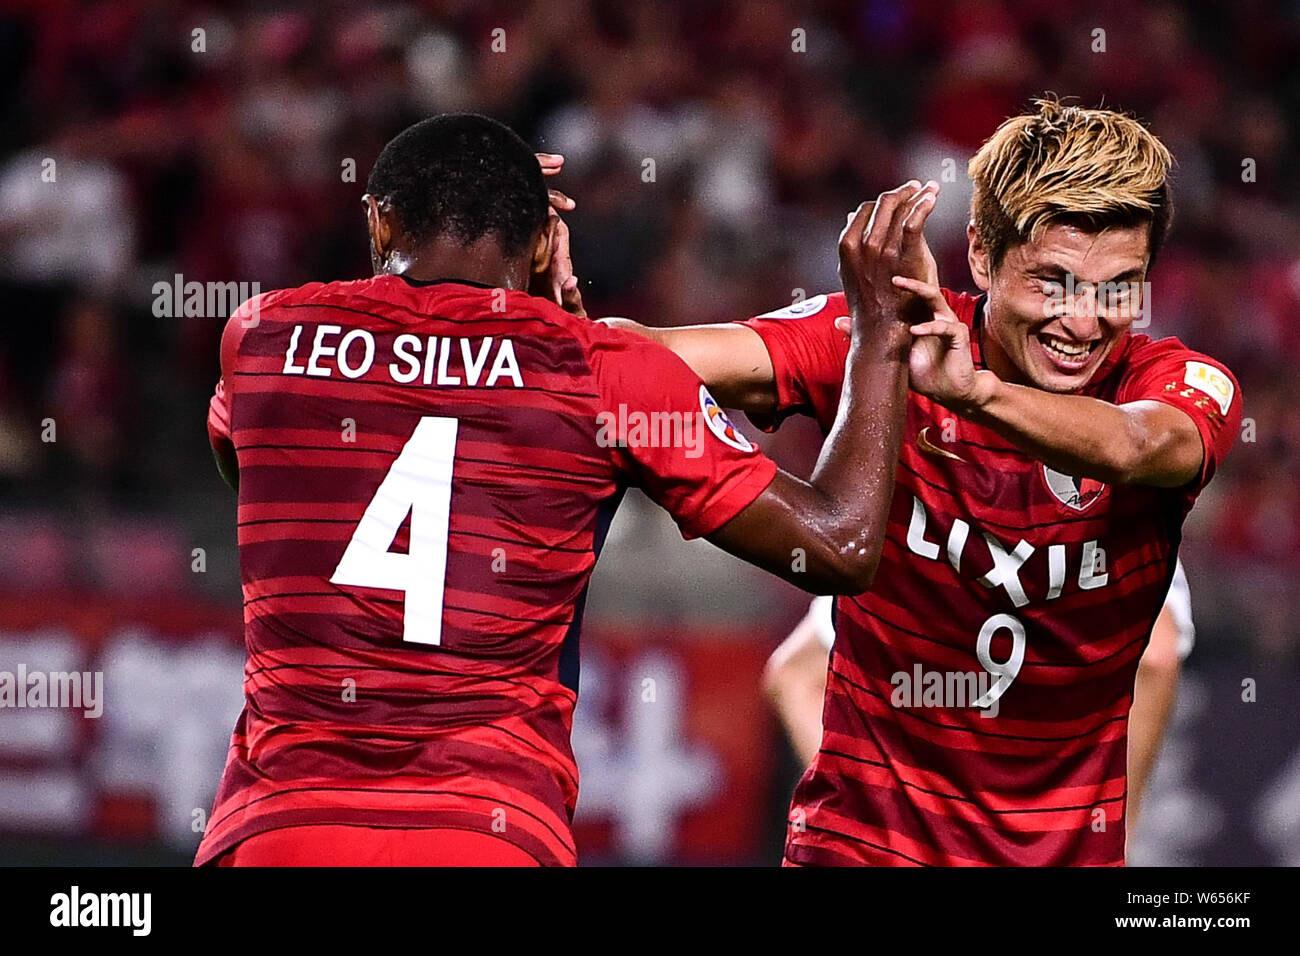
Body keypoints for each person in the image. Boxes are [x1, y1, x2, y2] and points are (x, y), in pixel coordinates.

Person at [195, 112, 934, 866]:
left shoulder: (262, 338)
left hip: (277, 830)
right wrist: (876, 335)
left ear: (379, 222)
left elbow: (253, 472)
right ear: (546, 240)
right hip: (489, 835)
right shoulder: (605, 375)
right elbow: (840, 545)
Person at [606, 99, 1242, 865]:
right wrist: (537, 321)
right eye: (1053, 281)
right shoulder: (882, 342)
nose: (1082, 321)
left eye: (1118, 288)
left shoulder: (1181, 386)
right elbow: (647, 359)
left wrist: (977, 393)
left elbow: (1142, 446)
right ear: (981, 256)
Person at [763, 558, 1196, 857]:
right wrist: (1112, 840)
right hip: (1051, 840)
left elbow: (796, 676)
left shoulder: (925, 492)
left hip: (916, 838)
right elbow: (1154, 658)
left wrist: (883, 831)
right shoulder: (1120, 490)